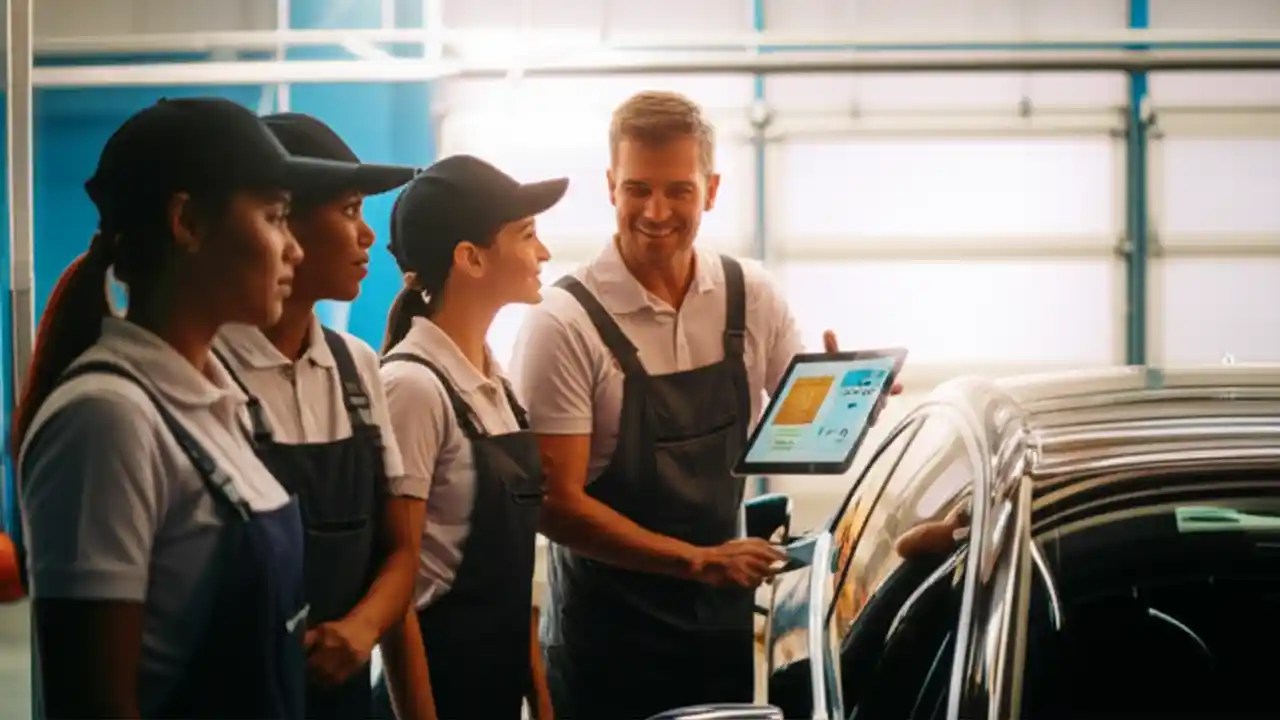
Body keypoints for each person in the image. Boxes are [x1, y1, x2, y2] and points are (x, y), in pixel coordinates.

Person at [509, 90, 898, 719]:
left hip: (717, 630)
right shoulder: (565, 323)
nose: (656, 211)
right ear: (611, 185)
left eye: (678, 190)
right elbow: (556, 506)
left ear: (711, 190)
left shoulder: (750, 296)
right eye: (637, 188)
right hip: (605, 646)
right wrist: (697, 561)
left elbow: (798, 431)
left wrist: (853, 402)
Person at [13, 97, 353, 719]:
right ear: (188, 223)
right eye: (276, 217)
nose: (294, 250)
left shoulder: (218, 403)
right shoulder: (106, 421)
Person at [211, 112, 422, 719]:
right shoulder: (207, 372)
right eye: (350, 210)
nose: (367, 237)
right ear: (283, 225)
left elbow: (401, 549)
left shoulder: (357, 367)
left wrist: (359, 630)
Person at [373, 154, 566, 720]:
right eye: (528, 235)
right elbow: (396, 590)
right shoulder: (411, 387)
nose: (544, 252)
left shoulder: (494, 381)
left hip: (496, 691)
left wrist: (538, 691)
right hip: (435, 691)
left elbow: (510, 571)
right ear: (470, 258)